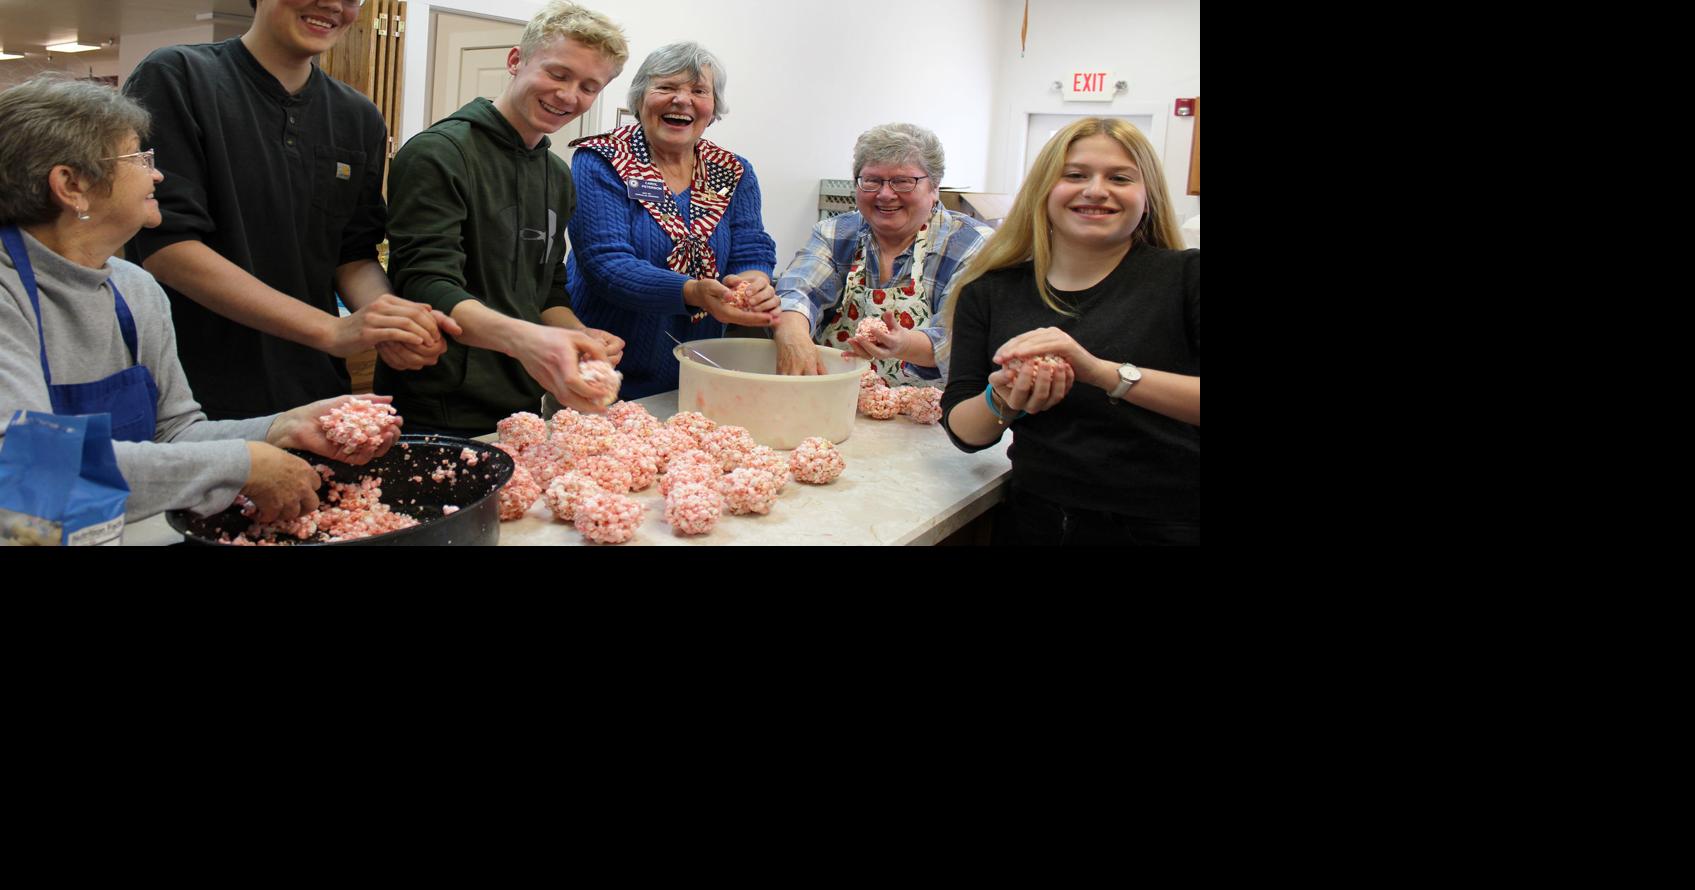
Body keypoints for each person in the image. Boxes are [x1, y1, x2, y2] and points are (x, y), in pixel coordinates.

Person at [1, 74, 399, 525]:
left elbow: (173, 434)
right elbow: (22, 463)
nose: (157, 173)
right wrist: (242, 464)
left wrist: (279, 428)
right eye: (138, 157)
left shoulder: (134, 289)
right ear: (71, 185)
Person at [122, 0, 456, 421]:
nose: (333, 5)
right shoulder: (178, 76)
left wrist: (390, 321)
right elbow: (168, 247)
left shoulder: (358, 116)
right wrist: (332, 330)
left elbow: (352, 254)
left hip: (314, 393)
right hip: (193, 401)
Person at [939, 117, 1200, 546]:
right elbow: (964, 431)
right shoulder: (989, 292)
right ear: (1044, 191)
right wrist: (1003, 398)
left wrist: (1102, 373)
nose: (1096, 190)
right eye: (1075, 175)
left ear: (1147, 197)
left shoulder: (1185, 278)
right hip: (1036, 520)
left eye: (1119, 178)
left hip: (1169, 523)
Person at [379, 0, 630, 435]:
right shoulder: (438, 153)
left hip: (523, 404)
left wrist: (580, 337)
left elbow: (548, 292)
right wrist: (535, 342)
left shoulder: (557, 175)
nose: (569, 96)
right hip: (437, 407)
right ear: (516, 60)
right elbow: (427, 285)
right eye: (558, 73)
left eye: (589, 87)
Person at [566, 41, 779, 399]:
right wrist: (694, 292)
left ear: (713, 109)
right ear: (639, 99)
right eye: (666, 87)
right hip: (607, 370)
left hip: (700, 370)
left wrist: (751, 284)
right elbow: (606, 263)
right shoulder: (601, 161)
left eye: (698, 91)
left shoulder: (733, 170)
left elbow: (750, 247)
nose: (682, 100)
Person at [773, 123, 994, 384]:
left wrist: (904, 343)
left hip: (932, 415)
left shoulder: (972, 245)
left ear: (934, 188)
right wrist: (793, 335)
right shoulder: (835, 234)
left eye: (903, 181)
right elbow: (798, 289)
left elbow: (959, 338)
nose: (885, 194)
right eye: (872, 180)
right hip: (838, 403)